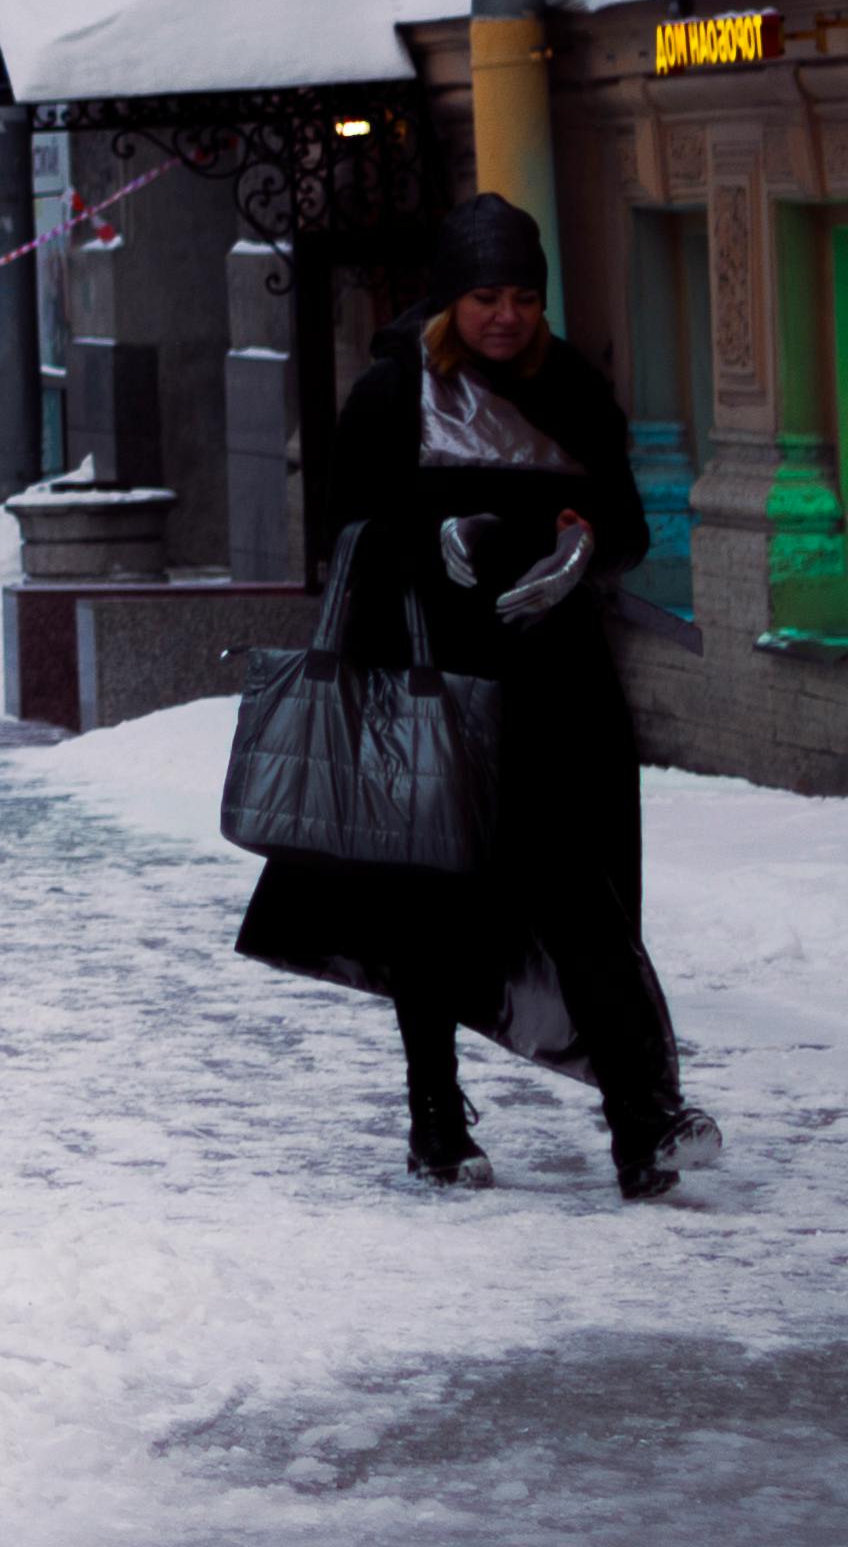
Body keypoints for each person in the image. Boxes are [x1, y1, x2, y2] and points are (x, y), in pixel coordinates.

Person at [241, 194, 711, 1199]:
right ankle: (436, 1119)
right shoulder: (391, 395)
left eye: (525, 297)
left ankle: (641, 1124)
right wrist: (430, 542)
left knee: (584, 902)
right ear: (450, 299)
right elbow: (344, 531)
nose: (507, 315)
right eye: (487, 296)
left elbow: (628, 522)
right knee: (432, 904)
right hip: (433, 682)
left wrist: (584, 549)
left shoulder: (573, 389)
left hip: (556, 684)